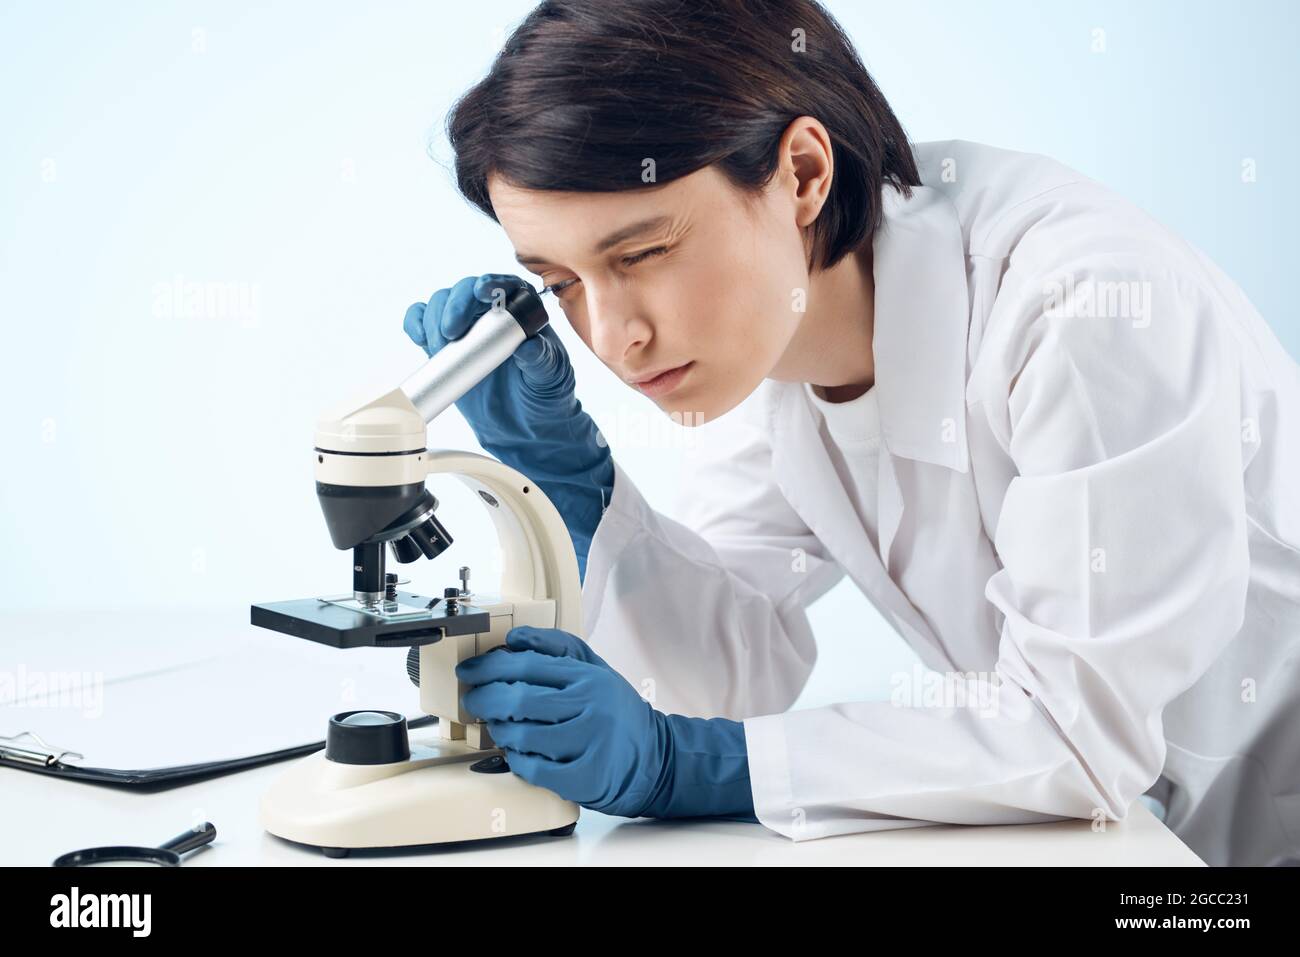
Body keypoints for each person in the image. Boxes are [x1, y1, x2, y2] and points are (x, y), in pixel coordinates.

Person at [401, 0, 1300, 866]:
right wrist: (571, 483)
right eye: (562, 282)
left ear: (801, 172)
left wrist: (691, 765)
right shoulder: (770, 342)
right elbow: (732, 665)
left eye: (640, 255)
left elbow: (1072, 732)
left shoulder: (1083, 308)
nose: (614, 336)